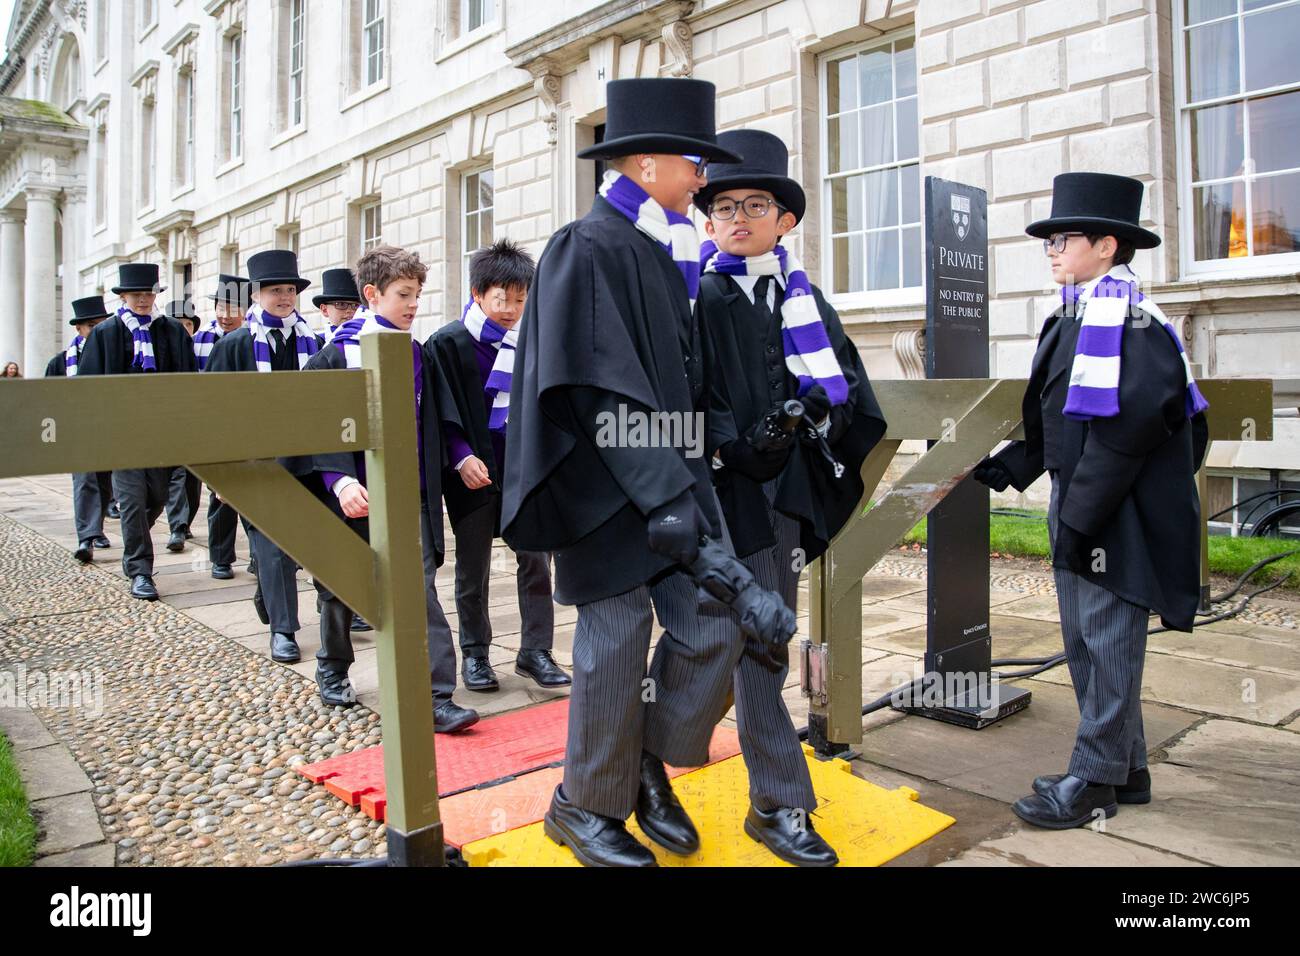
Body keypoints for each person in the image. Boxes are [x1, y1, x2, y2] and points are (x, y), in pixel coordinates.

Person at [502, 77, 752, 867]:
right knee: (614, 646)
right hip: (608, 495)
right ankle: (582, 804)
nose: (701, 179)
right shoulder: (591, 243)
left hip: (672, 486)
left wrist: (698, 473)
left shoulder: (658, 248)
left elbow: (674, 382)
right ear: (646, 164)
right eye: (692, 163)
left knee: (719, 621)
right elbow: (597, 386)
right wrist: (661, 495)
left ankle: (639, 760)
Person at [972, 173, 1210, 829]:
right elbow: (1060, 414)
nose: (1051, 249)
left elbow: (1125, 434)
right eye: (1048, 239)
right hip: (1085, 501)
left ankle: (1096, 783)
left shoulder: (1128, 320)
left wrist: (1080, 518)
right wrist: (1017, 464)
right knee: (1088, 642)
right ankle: (1126, 769)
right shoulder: (1084, 311)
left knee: (1105, 644)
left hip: (1114, 513)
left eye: (1064, 238)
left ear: (1107, 245)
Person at [695, 128, 887, 865]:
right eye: (724, 205)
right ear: (708, 221)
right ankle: (638, 761)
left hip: (783, 505)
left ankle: (774, 802)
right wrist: (731, 444)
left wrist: (817, 423)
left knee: (760, 649)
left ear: (786, 220)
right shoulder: (698, 299)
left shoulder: (806, 300)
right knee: (706, 650)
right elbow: (685, 393)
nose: (739, 216)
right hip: (719, 499)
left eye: (757, 203)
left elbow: (853, 398)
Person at [289, 245, 474, 730]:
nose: (414, 304)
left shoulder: (417, 353)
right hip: (355, 494)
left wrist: (461, 455)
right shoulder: (336, 356)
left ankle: (435, 694)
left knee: (420, 590)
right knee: (340, 587)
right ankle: (333, 668)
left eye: (418, 294)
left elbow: (438, 417)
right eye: (403, 294)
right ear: (372, 294)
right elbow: (318, 424)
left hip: (408, 493)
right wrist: (338, 479)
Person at [429, 239, 568, 693]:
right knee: (474, 568)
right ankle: (476, 655)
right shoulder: (448, 344)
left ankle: (535, 651)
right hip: (471, 470)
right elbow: (438, 410)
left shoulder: (531, 340)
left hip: (522, 468)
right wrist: (460, 456)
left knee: (535, 561)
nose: (510, 309)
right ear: (477, 293)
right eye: (500, 298)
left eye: (520, 299)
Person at [205, 251, 321, 665]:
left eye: (290, 289)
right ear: (256, 295)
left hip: (305, 464)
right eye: (276, 290)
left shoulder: (313, 342)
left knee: (295, 549)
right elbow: (213, 414)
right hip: (257, 465)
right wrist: (221, 476)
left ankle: (268, 594)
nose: (285, 297)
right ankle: (284, 630)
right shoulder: (234, 345)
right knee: (272, 549)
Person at [79, 263, 197, 600]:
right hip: (122, 435)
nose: (143, 300)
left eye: (148, 293)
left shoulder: (173, 331)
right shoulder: (105, 333)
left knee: (157, 497)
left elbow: (189, 382)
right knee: (131, 501)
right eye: (136, 295)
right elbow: (88, 387)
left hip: (162, 434)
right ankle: (140, 570)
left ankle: (136, 543)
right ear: (124, 296)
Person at [43, 295, 115, 564]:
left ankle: (97, 528)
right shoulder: (60, 363)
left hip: (108, 429)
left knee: (105, 483)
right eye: (91, 326)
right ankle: (87, 536)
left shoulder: (114, 355)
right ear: (79, 329)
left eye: (101, 324)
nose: (97, 330)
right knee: (85, 481)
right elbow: (49, 402)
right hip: (79, 432)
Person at [193, 275, 251, 579]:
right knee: (221, 497)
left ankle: (258, 555)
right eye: (221, 307)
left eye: (233, 307)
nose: (226, 315)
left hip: (252, 427)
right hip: (219, 429)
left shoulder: (257, 338)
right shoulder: (200, 341)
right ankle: (221, 556)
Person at [163, 300, 202, 552]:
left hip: (198, 425)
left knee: (193, 480)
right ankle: (177, 526)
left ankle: (185, 521)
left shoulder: (203, 348)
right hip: (173, 423)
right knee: (176, 475)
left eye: (188, 324)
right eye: (179, 324)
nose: (184, 328)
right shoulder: (160, 349)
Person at [313, 268, 363, 343]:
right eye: (341, 304)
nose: (350, 310)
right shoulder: (316, 344)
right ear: (325, 310)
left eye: (355, 305)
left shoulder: (366, 339)